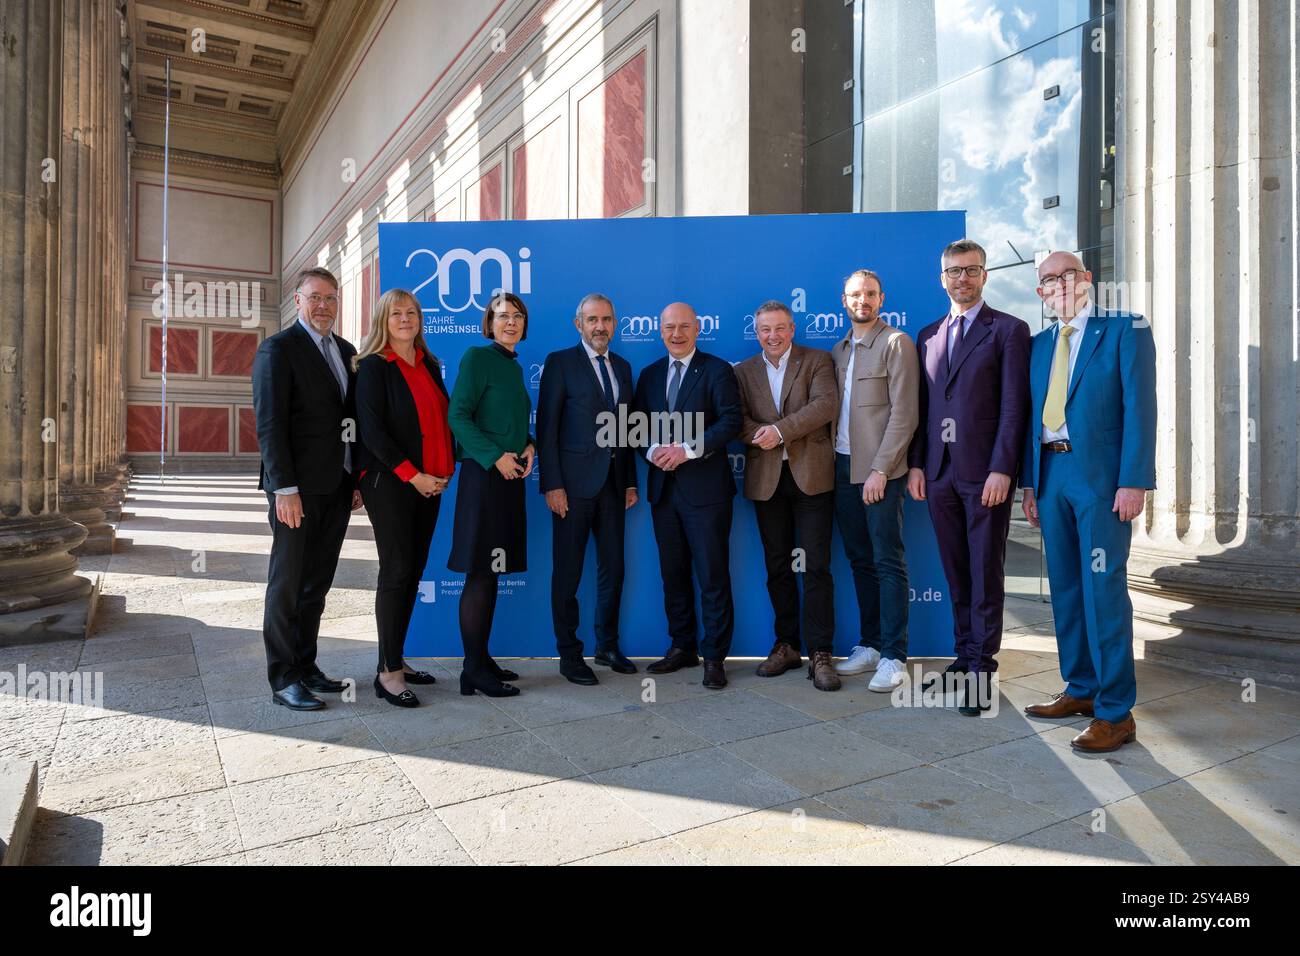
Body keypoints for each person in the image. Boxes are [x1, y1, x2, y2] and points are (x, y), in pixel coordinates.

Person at [1020, 251, 1156, 753]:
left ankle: (1116, 713)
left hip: (1101, 479)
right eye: (1047, 280)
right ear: (1040, 293)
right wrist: (1030, 484)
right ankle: (1080, 690)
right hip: (1051, 473)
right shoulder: (1037, 346)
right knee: (1067, 589)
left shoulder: (1125, 329)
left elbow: (1141, 408)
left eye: (1066, 275)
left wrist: (1134, 480)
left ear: (1087, 279)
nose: (1057, 284)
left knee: (1103, 591)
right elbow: (1029, 417)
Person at [907, 239, 1030, 714]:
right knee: (956, 570)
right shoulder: (928, 334)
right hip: (938, 474)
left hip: (985, 476)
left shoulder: (1009, 330)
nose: (963, 278)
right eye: (954, 271)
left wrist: (1004, 468)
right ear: (943, 278)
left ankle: (983, 670)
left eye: (971, 270)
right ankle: (964, 655)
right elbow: (922, 407)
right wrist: (917, 462)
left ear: (984, 276)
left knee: (984, 571)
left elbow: (1013, 406)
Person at [252, 267, 362, 711]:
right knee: (287, 582)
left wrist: (354, 480)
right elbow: (270, 425)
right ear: (297, 301)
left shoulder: (346, 351)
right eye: (314, 297)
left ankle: (307, 665)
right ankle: (283, 678)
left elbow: (350, 423)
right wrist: (285, 488)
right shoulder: (277, 350)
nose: (323, 306)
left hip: (335, 486)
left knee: (317, 581)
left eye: (331, 298)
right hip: (295, 490)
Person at [354, 288, 454, 708]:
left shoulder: (429, 363)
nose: (405, 318)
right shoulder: (373, 367)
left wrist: (440, 474)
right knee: (396, 572)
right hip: (391, 482)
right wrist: (414, 476)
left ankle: (395, 657)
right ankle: (387, 673)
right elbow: (373, 432)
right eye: (397, 313)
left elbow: (440, 422)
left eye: (412, 312)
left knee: (412, 571)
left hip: (431, 484)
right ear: (383, 319)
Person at [633, 302, 741, 689]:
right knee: (672, 574)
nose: (676, 334)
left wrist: (686, 449)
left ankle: (714, 656)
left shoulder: (717, 370)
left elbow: (731, 421)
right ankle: (682, 647)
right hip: (664, 492)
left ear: (697, 329)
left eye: (683, 327)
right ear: (659, 330)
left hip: (707, 493)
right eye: (668, 328)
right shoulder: (648, 375)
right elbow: (635, 426)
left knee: (712, 575)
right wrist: (651, 452)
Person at [734, 301, 840, 691]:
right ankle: (787, 644)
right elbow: (737, 419)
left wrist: (779, 431)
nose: (773, 336)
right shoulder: (743, 371)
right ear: (756, 332)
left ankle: (821, 652)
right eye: (765, 330)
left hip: (812, 478)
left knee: (817, 568)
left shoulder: (817, 360)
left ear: (792, 328)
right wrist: (757, 435)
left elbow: (825, 406)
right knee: (777, 568)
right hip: (767, 481)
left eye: (780, 328)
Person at [537, 293, 639, 685]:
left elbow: (627, 430)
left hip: (614, 486)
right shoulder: (560, 363)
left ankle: (607, 646)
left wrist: (629, 480)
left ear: (614, 324)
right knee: (568, 573)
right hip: (572, 488)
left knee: (613, 569)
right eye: (592, 319)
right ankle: (569, 654)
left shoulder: (624, 368)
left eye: (607, 319)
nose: (600, 326)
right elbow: (547, 428)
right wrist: (553, 484)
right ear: (578, 324)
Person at [830, 269, 920, 691]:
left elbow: (905, 414)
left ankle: (893, 655)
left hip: (881, 473)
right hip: (842, 468)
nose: (861, 300)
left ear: (881, 298)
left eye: (869, 294)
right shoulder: (840, 349)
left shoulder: (896, 344)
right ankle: (868, 645)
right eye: (854, 294)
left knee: (887, 561)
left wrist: (881, 469)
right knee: (860, 560)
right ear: (844, 300)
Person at [447, 292, 535, 698]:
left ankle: (480, 661)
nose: (510, 322)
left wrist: (529, 443)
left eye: (517, 316)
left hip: (508, 479)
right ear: (489, 323)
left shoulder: (512, 368)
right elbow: (458, 416)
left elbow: (508, 421)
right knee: (480, 573)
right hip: (484, 480)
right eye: (502, 316)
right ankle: (473, 669)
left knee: (492, 572)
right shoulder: (478, 358)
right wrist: (494, 457)